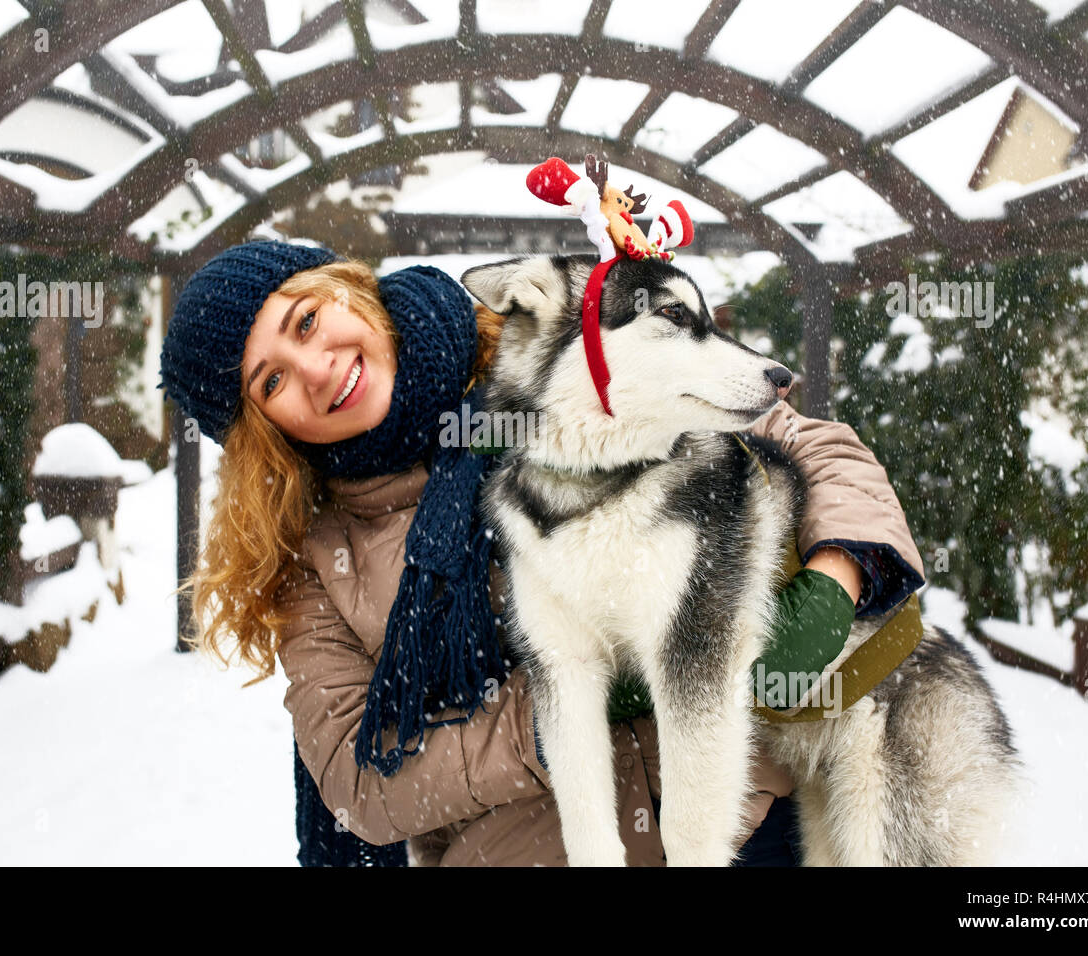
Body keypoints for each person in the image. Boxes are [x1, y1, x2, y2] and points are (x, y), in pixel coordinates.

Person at [158, 240, 927, 867]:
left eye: (304, 322)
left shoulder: (536, 356)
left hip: (743, 819)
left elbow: (804, 440)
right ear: (263, 430)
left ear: (345, 289)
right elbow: (363, 785)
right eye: (273, 381)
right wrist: (564, 706)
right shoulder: (312, 563)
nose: (318, 368)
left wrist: (836, 578)